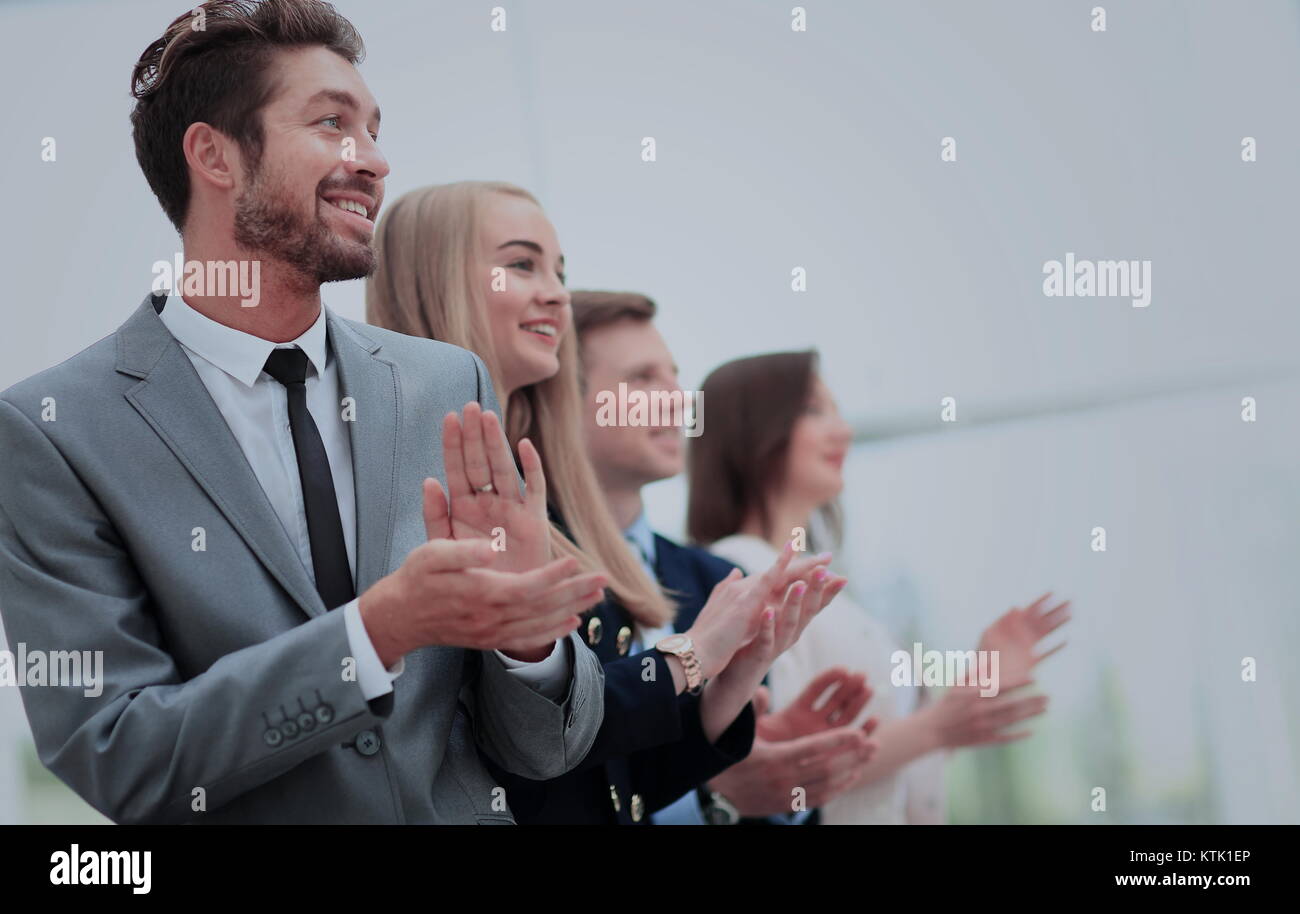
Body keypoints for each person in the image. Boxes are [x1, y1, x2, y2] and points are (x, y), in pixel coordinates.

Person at [0, 0, 606, 825]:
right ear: (213, 154)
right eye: (332, 123)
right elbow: (119, 755)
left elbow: (542, 750)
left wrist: (526, 642)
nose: (375, 161)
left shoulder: (446, 383)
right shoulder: (50, 430)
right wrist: (377, 632)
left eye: (375, 129)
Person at [366, 181, 841, 823]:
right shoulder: (394, 497)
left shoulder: (546, 517)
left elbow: (600, 780)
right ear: (438, 280)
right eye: (521, 264)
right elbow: (517, 762)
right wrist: (694, 655)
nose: (556, 292)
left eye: (560, 271)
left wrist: (728, 679)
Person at [689, 351, 1073, 824]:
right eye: (814, 410)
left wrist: (961, 704)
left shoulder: (817, 583)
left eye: (837, 411)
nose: (843, 432)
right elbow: (781, 767)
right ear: (753, 429)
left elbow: (878, 771)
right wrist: (940, 726)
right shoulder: (739, 571)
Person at [572, 290, 880, 824]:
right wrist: (714, 793)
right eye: (642, 379)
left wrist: (785, 779)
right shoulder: (539, 573)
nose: (678, 398)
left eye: (673, 375)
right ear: (561, 402)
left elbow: (762, 795)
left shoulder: (718, 580)